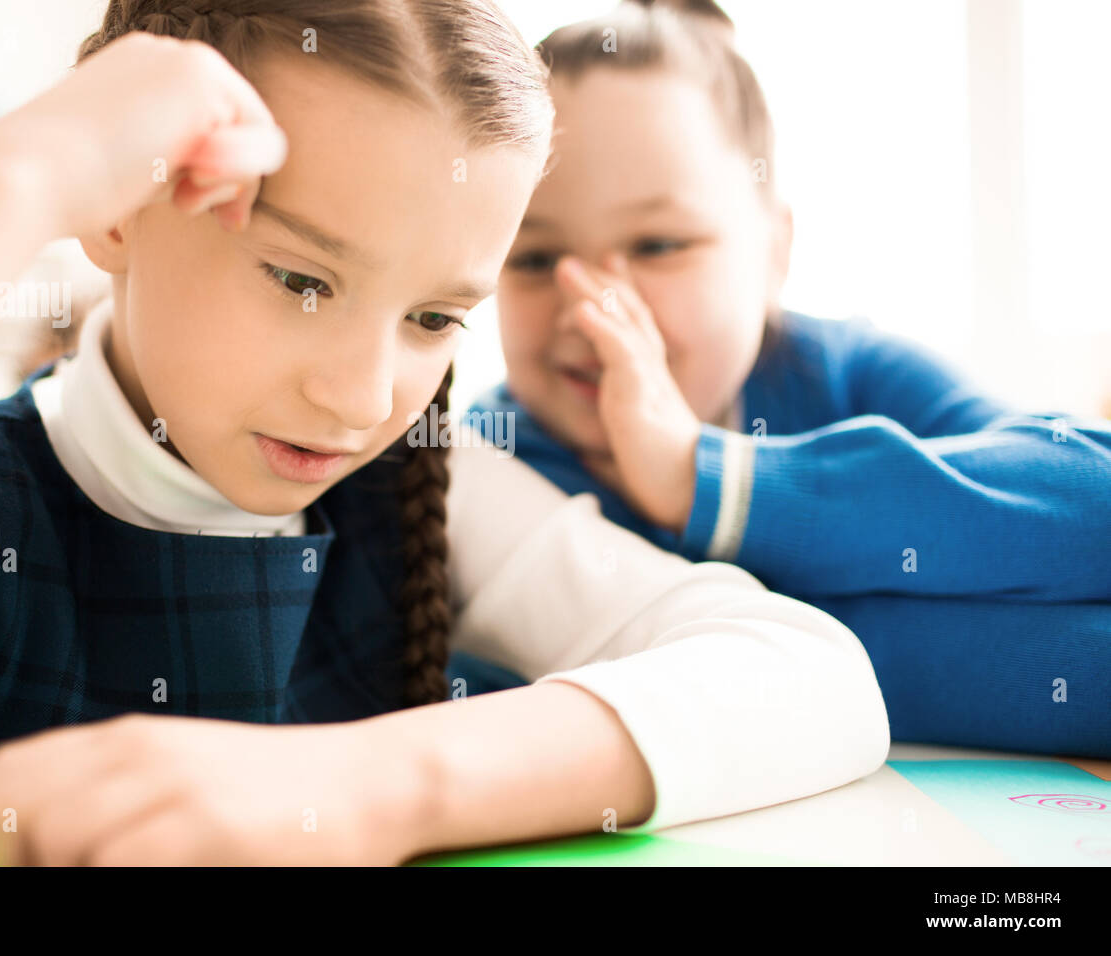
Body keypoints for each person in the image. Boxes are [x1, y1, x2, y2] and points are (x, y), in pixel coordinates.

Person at [0, 0, 888, 865]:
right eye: (300, 278)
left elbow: (813, 675)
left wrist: (367, 787)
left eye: (432, 318)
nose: (366, 397)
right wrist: (16, 176)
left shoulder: (432, 482)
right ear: (117, 209)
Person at [464, 0, 1111, 757]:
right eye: (534, 259)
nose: (593, 307)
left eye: (659, 243)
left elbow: (1090, 500)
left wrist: (704, 478)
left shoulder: (847, 372)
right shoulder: (487, 472)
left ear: (774, 252)